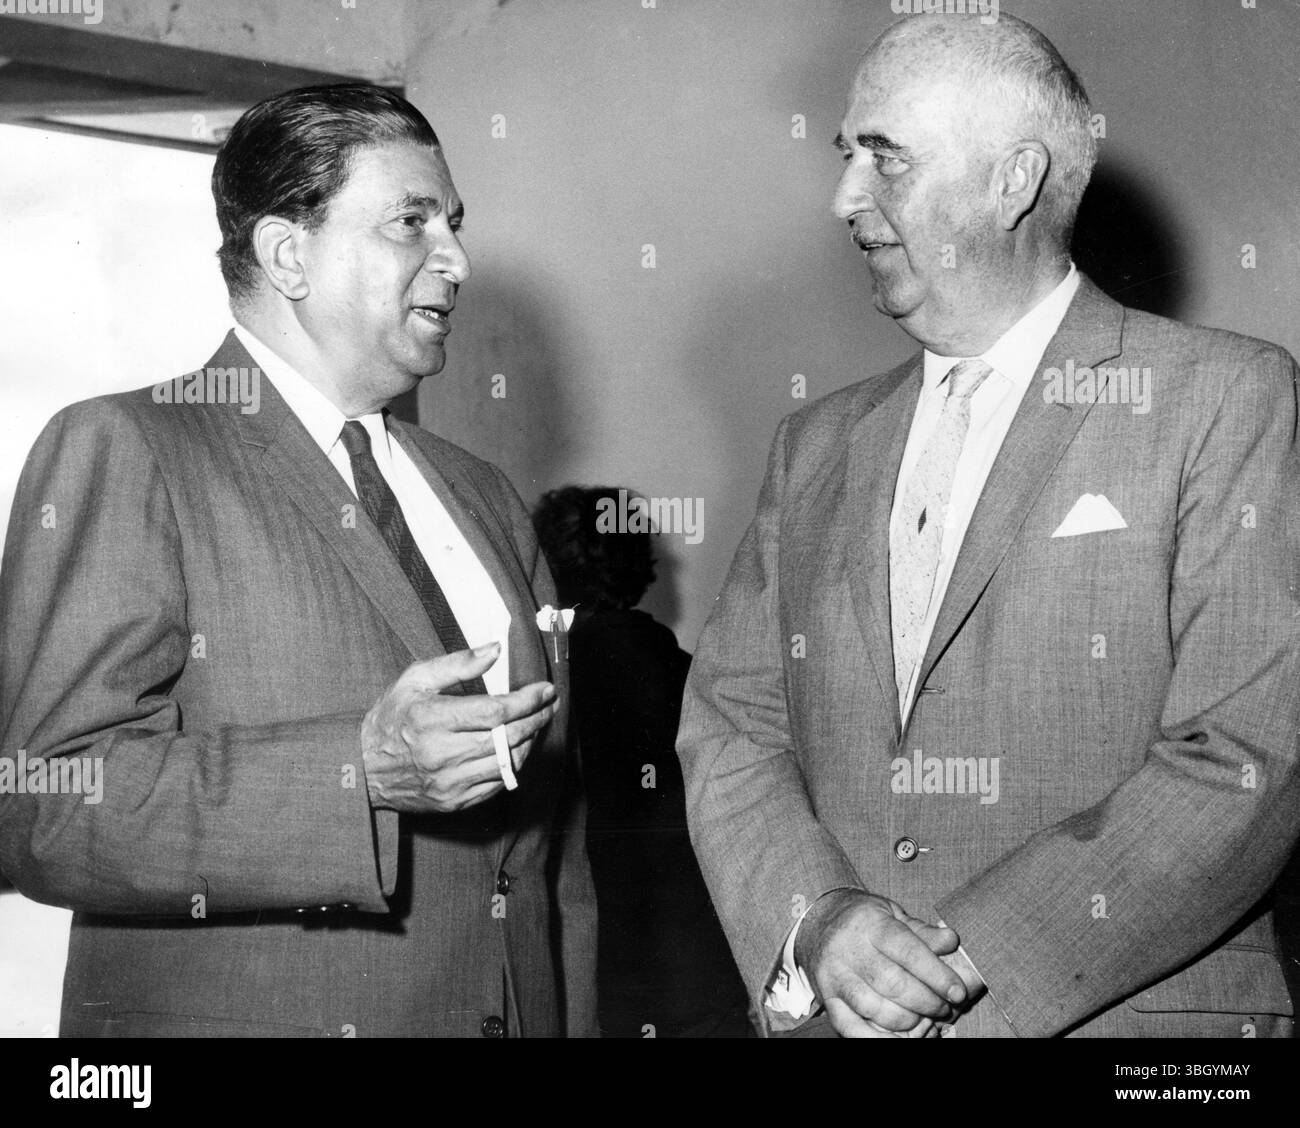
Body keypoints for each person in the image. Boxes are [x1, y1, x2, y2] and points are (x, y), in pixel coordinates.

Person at [677, 12, 1300, 1038]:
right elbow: (735, 727)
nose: (843, 198)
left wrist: (947, 975)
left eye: (885, 158)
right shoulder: (814, 446)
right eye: (845, 157)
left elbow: (1245, 757)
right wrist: (820, 921)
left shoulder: (1226, 399)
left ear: (1013, 180)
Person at [0, 84, 597, 1038]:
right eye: (413, 223)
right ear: (288, 256)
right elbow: (39, 811)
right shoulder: (128, 448)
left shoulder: (481, 493)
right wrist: (353, 774)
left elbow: (547, 860)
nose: (457, 261)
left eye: (453, 224)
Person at [533, 486, 751, 1037]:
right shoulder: (686, 673)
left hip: (592, 961)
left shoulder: (538, 680)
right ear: (638, 562)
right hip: (695, 956)